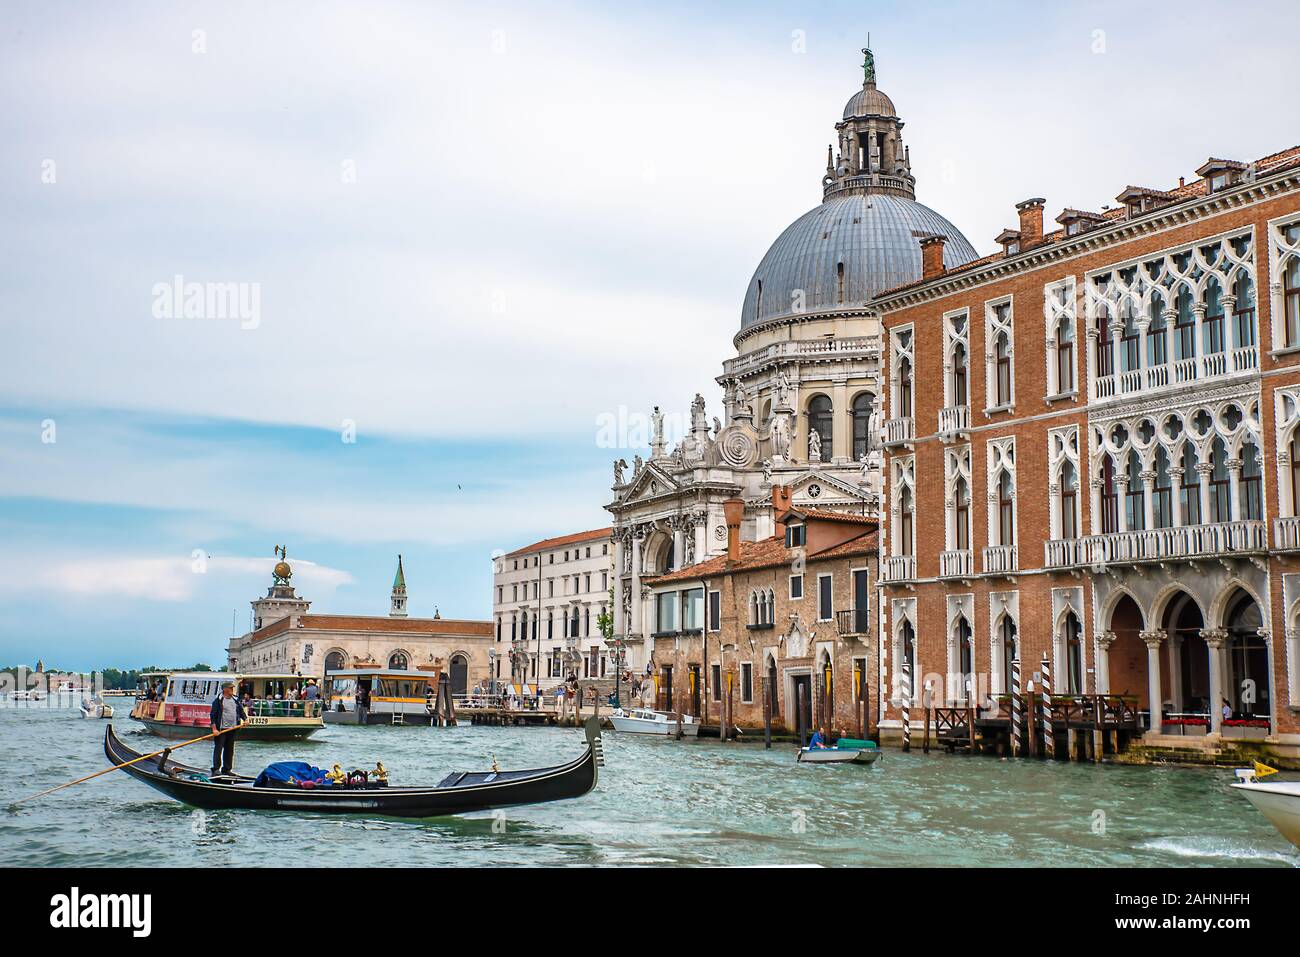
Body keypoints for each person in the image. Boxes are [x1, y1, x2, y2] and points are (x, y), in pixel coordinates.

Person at [209, 681, 246, 777]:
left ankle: (226, 769)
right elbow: (213, 715)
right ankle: (216, 769)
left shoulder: (235, 699)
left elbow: (240, 711)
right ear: (225, 689)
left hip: (232, 728)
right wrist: (214, 729)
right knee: (218, 749)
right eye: (230, 688)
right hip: (221, 729)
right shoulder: (218, 700)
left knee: (229, 750)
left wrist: (245, 719)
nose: (232, 690)